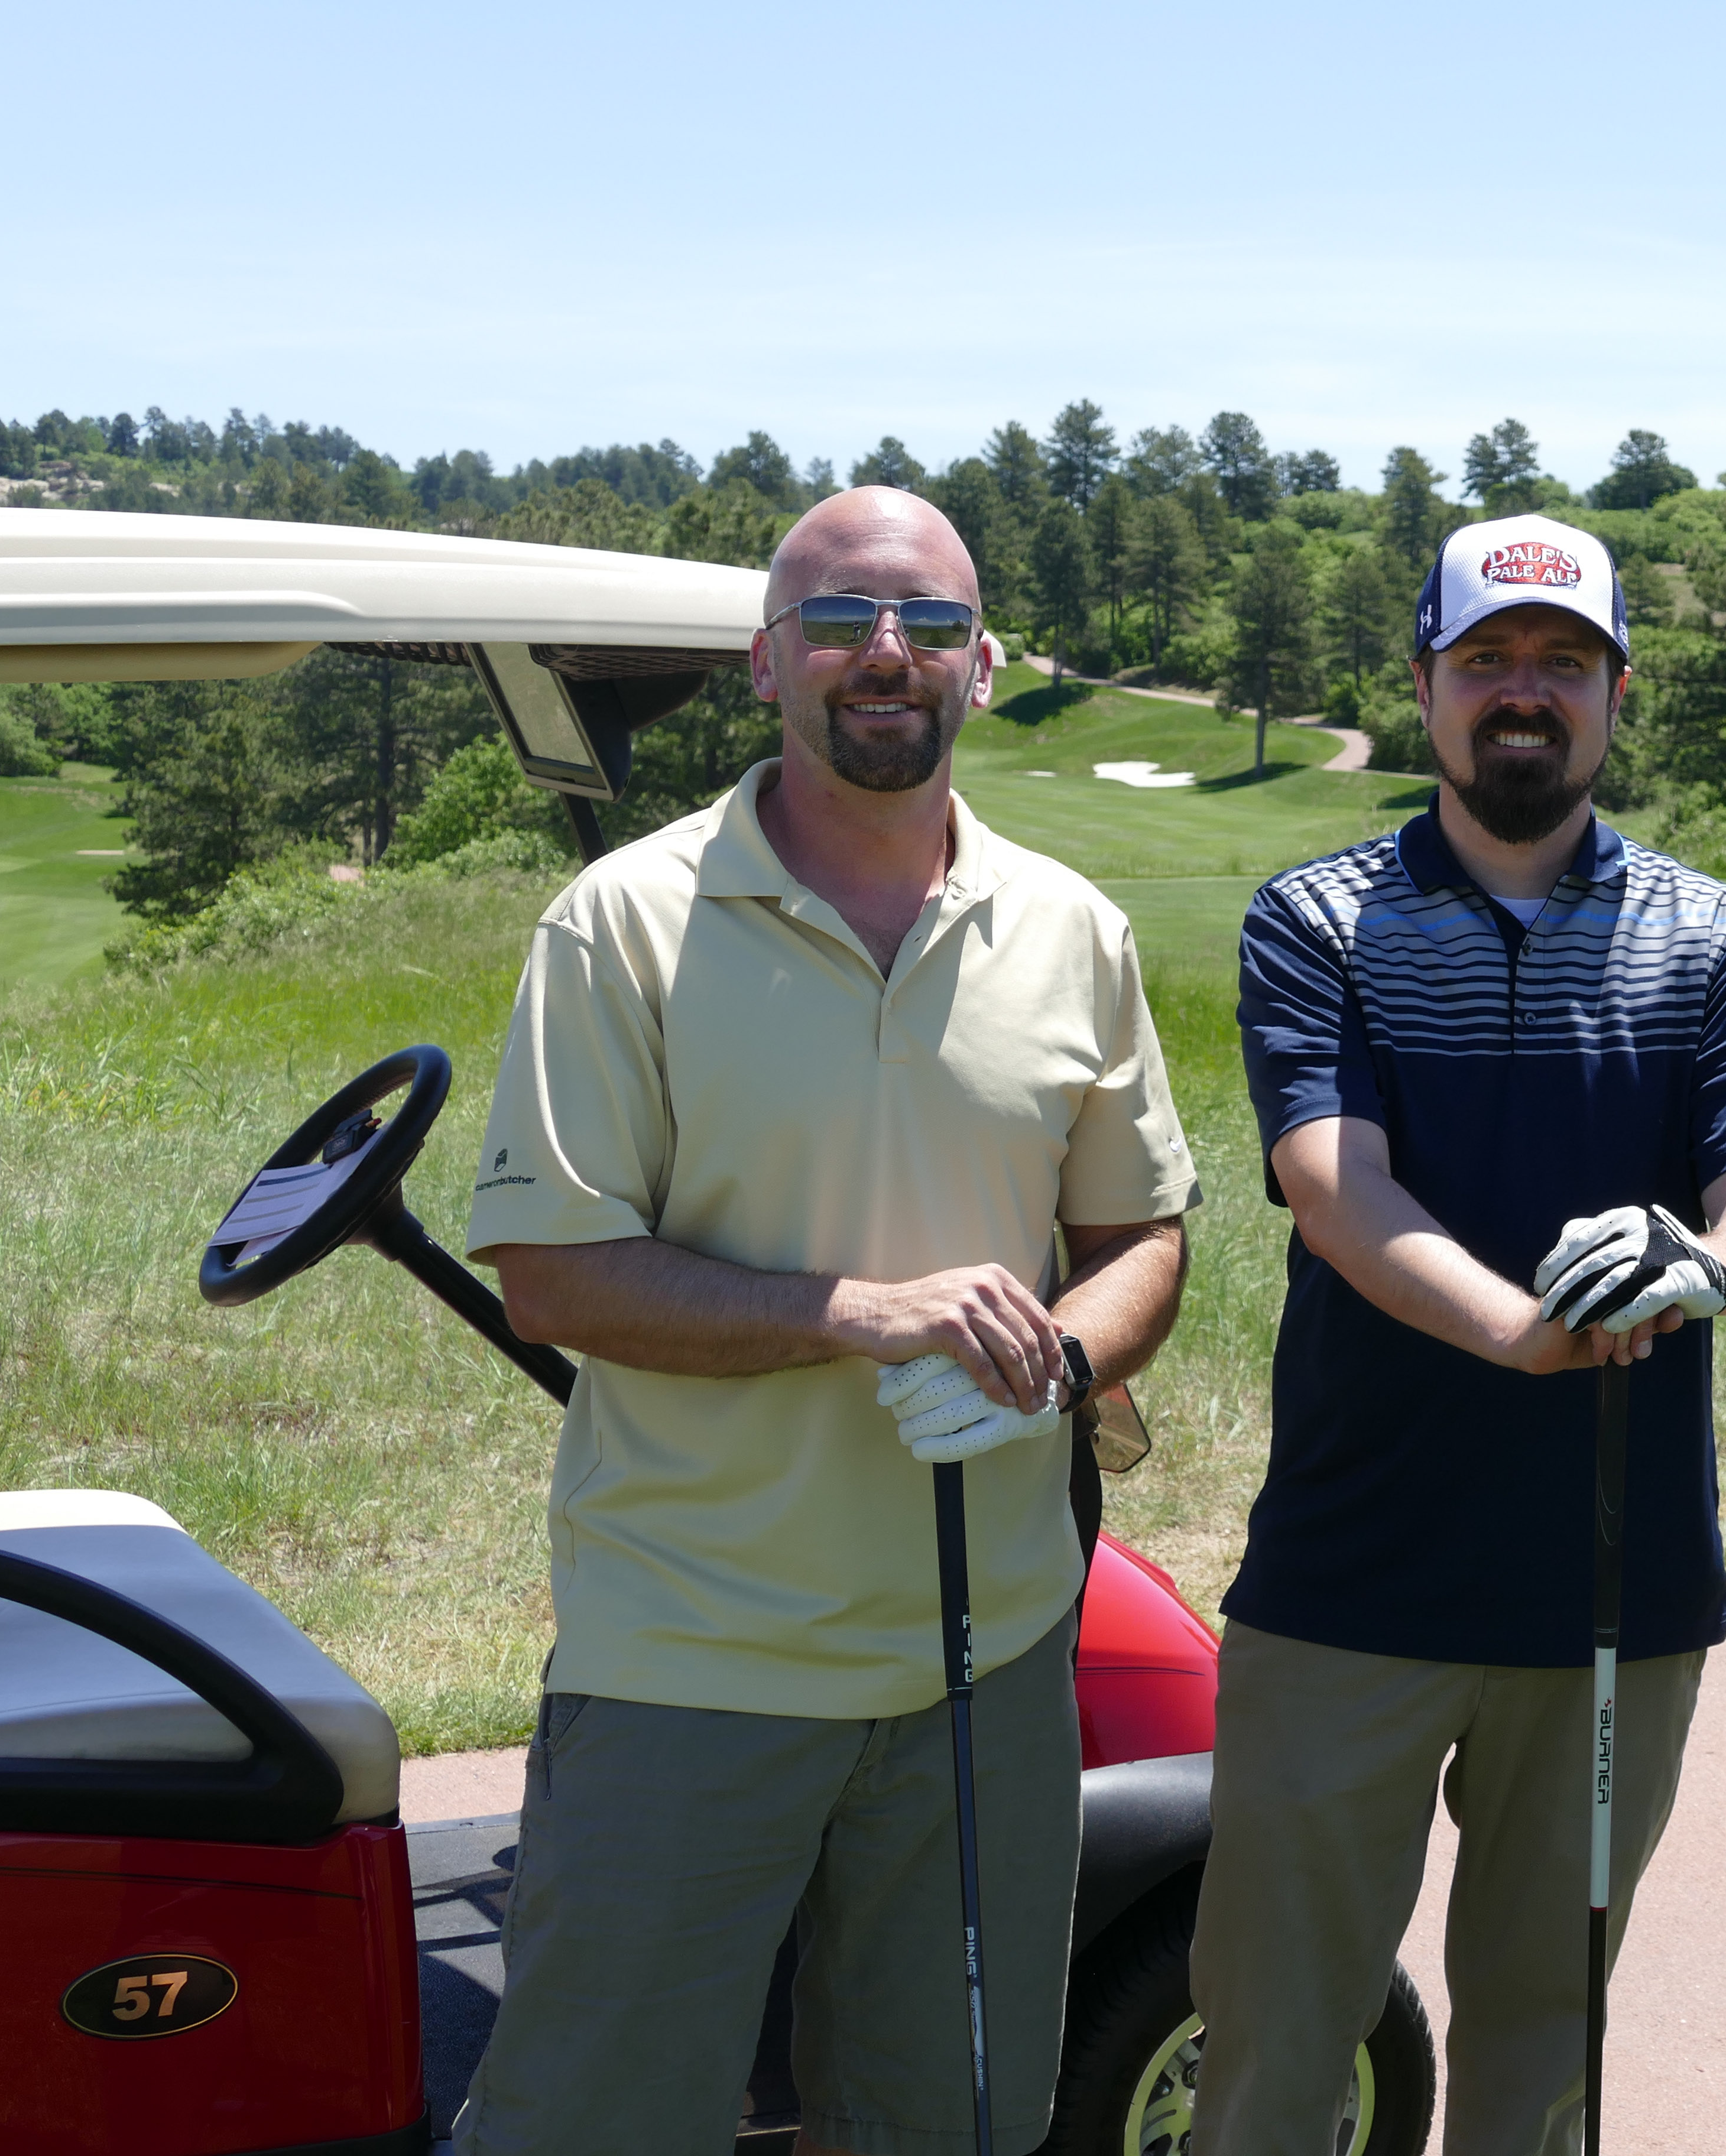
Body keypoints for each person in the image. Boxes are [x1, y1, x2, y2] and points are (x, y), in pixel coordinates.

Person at [459, 486, 1198, 2156]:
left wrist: (1061, 1361)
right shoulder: (623, 925)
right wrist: (862, 1314)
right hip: (690, 1660)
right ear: (765, 665)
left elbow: (1141, 1236)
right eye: (843, 622)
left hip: (988, 1663)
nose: (889, 655)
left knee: (945, 2125)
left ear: (984, 668)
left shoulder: (1076, 932)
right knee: (597, 2125)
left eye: (931, 625)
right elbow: (556, 1275)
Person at [1195, 511, 1726, 2156]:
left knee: (1547, 2063)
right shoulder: (1319, 919)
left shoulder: (1709, 936)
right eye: (1487, 661)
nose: (1523, 693)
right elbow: (1336, 1187)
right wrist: (1524, 1329)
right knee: (1276, 2044)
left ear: (1618, 693)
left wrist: (1700, 1266)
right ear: (1425, 687)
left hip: (1616, 1585)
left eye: (1563, 663)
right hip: (1355, 1582)